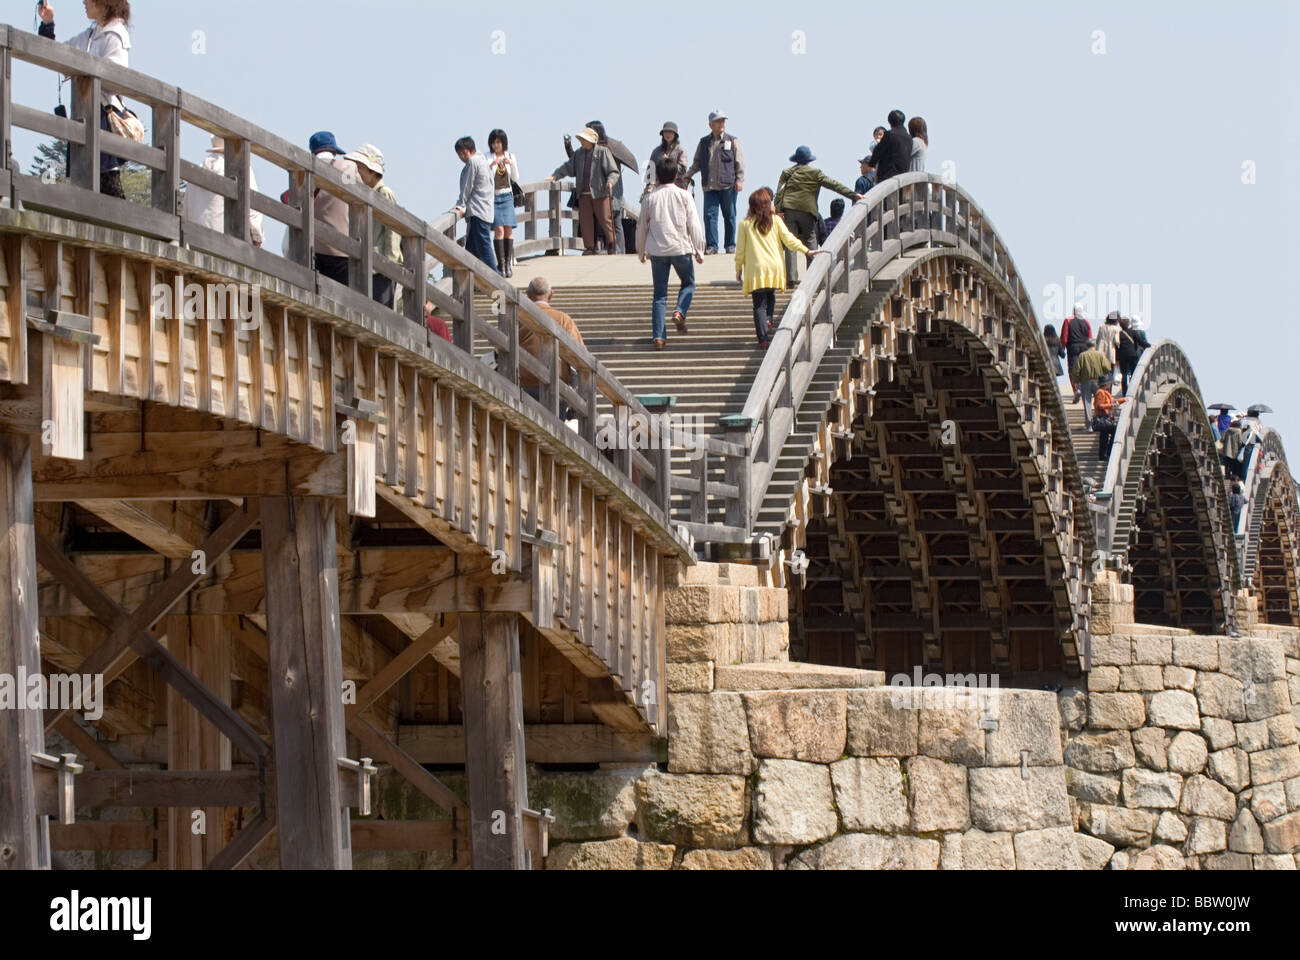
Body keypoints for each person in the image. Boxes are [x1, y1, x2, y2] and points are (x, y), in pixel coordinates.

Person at [39, 0, 132, 199]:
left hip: (102, 116)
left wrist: (83, 69)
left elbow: (116, 78)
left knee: (108, 185)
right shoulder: (90, 35)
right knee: (83, 187)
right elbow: (56, 55)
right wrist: (48, 23)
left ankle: (127, 229)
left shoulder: (115, 34)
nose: (84, 2)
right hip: (85, 115)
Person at [735, 187, 830, 348]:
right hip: (774, 267)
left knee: (759, 304)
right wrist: (807, 250)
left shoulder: (745, 224)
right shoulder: (776, 221)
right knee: (770, 294)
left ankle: (763, 339)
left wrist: (739, 269)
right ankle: (769, 318)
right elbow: (789, 239)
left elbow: (741, 250)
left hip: (756, 269)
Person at [637, 156, 706, 351]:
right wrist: (699, 249)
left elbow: (641, 226)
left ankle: (658, 337)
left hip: (657, 251)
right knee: (688, 283)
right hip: (680, 247)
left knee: (659, 295)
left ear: (657, 176)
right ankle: (679, 310)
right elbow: (694, 223)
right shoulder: (684, 195)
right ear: (676, 174)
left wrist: (640, 251)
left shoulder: (650, 198)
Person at [343, 144, 402, 308]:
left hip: (380, 266)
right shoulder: (363, 192)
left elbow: (392, 229)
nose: (357, 172)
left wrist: (390, 263)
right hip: (367, 263)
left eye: (360, 168)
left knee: (380, 310)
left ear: (371, 170)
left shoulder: (384, 192)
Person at [774, 146, 862, 253]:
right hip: (807, 210)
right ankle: (813, 268)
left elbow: (779, 193)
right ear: (809, 160)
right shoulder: (815, 173)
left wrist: (778, 211)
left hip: (789, 210)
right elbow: (834, 185)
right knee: (810, 239)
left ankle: (791, 270)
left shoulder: (787, 172)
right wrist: (853, 195)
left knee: (790, 242)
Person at [548, 128, 619, 255]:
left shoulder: (603, 152)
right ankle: (589, 247)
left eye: (584, 139)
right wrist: (555, 175)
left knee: (605, 219)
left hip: (600, 192)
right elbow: (568, 167)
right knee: (585, 220)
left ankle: (612, 244)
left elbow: (613, 171)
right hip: (584, 193)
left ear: (591, 140)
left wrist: (610, 181)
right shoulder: (579, 154)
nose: (581, 141)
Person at [184, 136, 265, 246]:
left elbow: (187, 210)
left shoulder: (197, 169)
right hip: (231, 245)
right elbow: (253, 211)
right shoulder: (241, 167)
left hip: (197, 242)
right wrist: (258, 238)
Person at [686, 110, 745, 254]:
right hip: (709, 185)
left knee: (729, 215)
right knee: (710, 216)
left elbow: (739, 162)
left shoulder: (732, 141)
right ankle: (712, 245)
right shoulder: (704, 142)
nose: (722, 124)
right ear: (710, 124)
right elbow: (697, 162)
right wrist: (688, 174)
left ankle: (730, 245)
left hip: (728, 185)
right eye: (718, 121)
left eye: (723, 121)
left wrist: (739, 180)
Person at [522, 277, 585, 413]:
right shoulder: (563, 319)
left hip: (522, 383)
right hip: (555, 384)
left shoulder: (518, 316)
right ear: (551, 294)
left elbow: (498, 349)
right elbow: (581, 354)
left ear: (527, 295)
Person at [585, 122, 637, 253]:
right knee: (616, 223)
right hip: (616, 194)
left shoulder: (599, 150)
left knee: (606, 222)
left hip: (607, 192)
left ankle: (604, 248)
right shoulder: (613, 148)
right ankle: (619, 251)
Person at [454, 136, 497, 271]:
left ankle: (497, 281)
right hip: (485, 209)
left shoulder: (473, 162)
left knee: (484, 248)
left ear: (470, 150)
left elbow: (467, 186)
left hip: (478, 210)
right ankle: (474, 281)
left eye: (463, 153)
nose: (462, 157)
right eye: (459, 154)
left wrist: (461, 204)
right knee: (471, 249)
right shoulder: (482, 159)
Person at [486, 129, 520, 278]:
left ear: (503, 143)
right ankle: (500, 263)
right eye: (493, 142)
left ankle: (507, 264)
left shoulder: (511, 156)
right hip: (494, 197)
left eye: (498, 142)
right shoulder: (487, 157)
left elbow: (515, 177)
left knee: (508, 230)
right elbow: (486, 178)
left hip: (507, 196)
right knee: (498, 229)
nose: (496, 145)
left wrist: (511, 164)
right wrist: (493, 164)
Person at [1071, 339, 1112, 428]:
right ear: (1095, 346)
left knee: (1087, 404)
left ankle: (1089, 426)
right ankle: (1100, 423)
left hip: (1085, 382)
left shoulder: (1082, 356)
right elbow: (1107, 367)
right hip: (1099, 382)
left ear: (1086, 346)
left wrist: (1077, 381)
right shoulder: (1100, 354)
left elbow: (1076, 371)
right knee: (1100, 402)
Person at [868, 110, 913, 185]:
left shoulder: (890, 134)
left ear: (889, 122)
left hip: (888, 176)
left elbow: (878, 151)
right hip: (904, 177)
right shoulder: (909, 138)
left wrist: (872, 164)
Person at [644, 121, 690, 195]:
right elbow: (650, 171)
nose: (668, 134)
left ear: (675, 134)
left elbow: (682, 169)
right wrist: (649, 186)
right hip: (658, 188)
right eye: (665, 132)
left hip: (677, 187)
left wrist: (668, 162)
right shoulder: (656, 151)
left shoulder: (681, 151)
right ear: (662, 134)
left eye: (670, 132)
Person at [1060, 304, 1092, 403]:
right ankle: (1084, 389)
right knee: (1083, 369)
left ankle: (1076, 389)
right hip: (1085, 348)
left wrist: (1062, 348)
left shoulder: (1068, 321)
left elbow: (1064, 337)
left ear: (1073, 310)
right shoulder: (1086, 322)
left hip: (1072, 347)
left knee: (1072, 370)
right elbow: (1090, 337)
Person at [1092, 386, 1126, 461]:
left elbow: (1113, 401)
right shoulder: (1100, 392)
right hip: (1102, 418)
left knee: (1104, 436)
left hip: (1105, 418)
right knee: (1113, 431)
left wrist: (1123, 400)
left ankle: (1104, 455)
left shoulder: (1105, 393)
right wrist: (1111, 405)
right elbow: (1099, 405)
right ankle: (1108, 452)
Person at [1115, 316, 1144, 396]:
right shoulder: (1133, 332)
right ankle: (1133, 391)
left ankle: (1125, 392)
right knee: (1134, 373)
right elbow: (1141, 342)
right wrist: (1148, 346)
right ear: (1128, 324)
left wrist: (1117, 358)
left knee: (1124, 374)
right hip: (1132, 355)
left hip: (1123, 357)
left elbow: (1116, 346)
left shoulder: (1119, 334)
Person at [1096, 312, 1122, 391]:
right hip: (1110, 351)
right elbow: (1117, 341)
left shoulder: (1101, 327)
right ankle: (1109, 390)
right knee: (1110, 372)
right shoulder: (1115, 329)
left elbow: (1097, 339)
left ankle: (1101, 389)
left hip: (1101, 350)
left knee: (1101, 371)